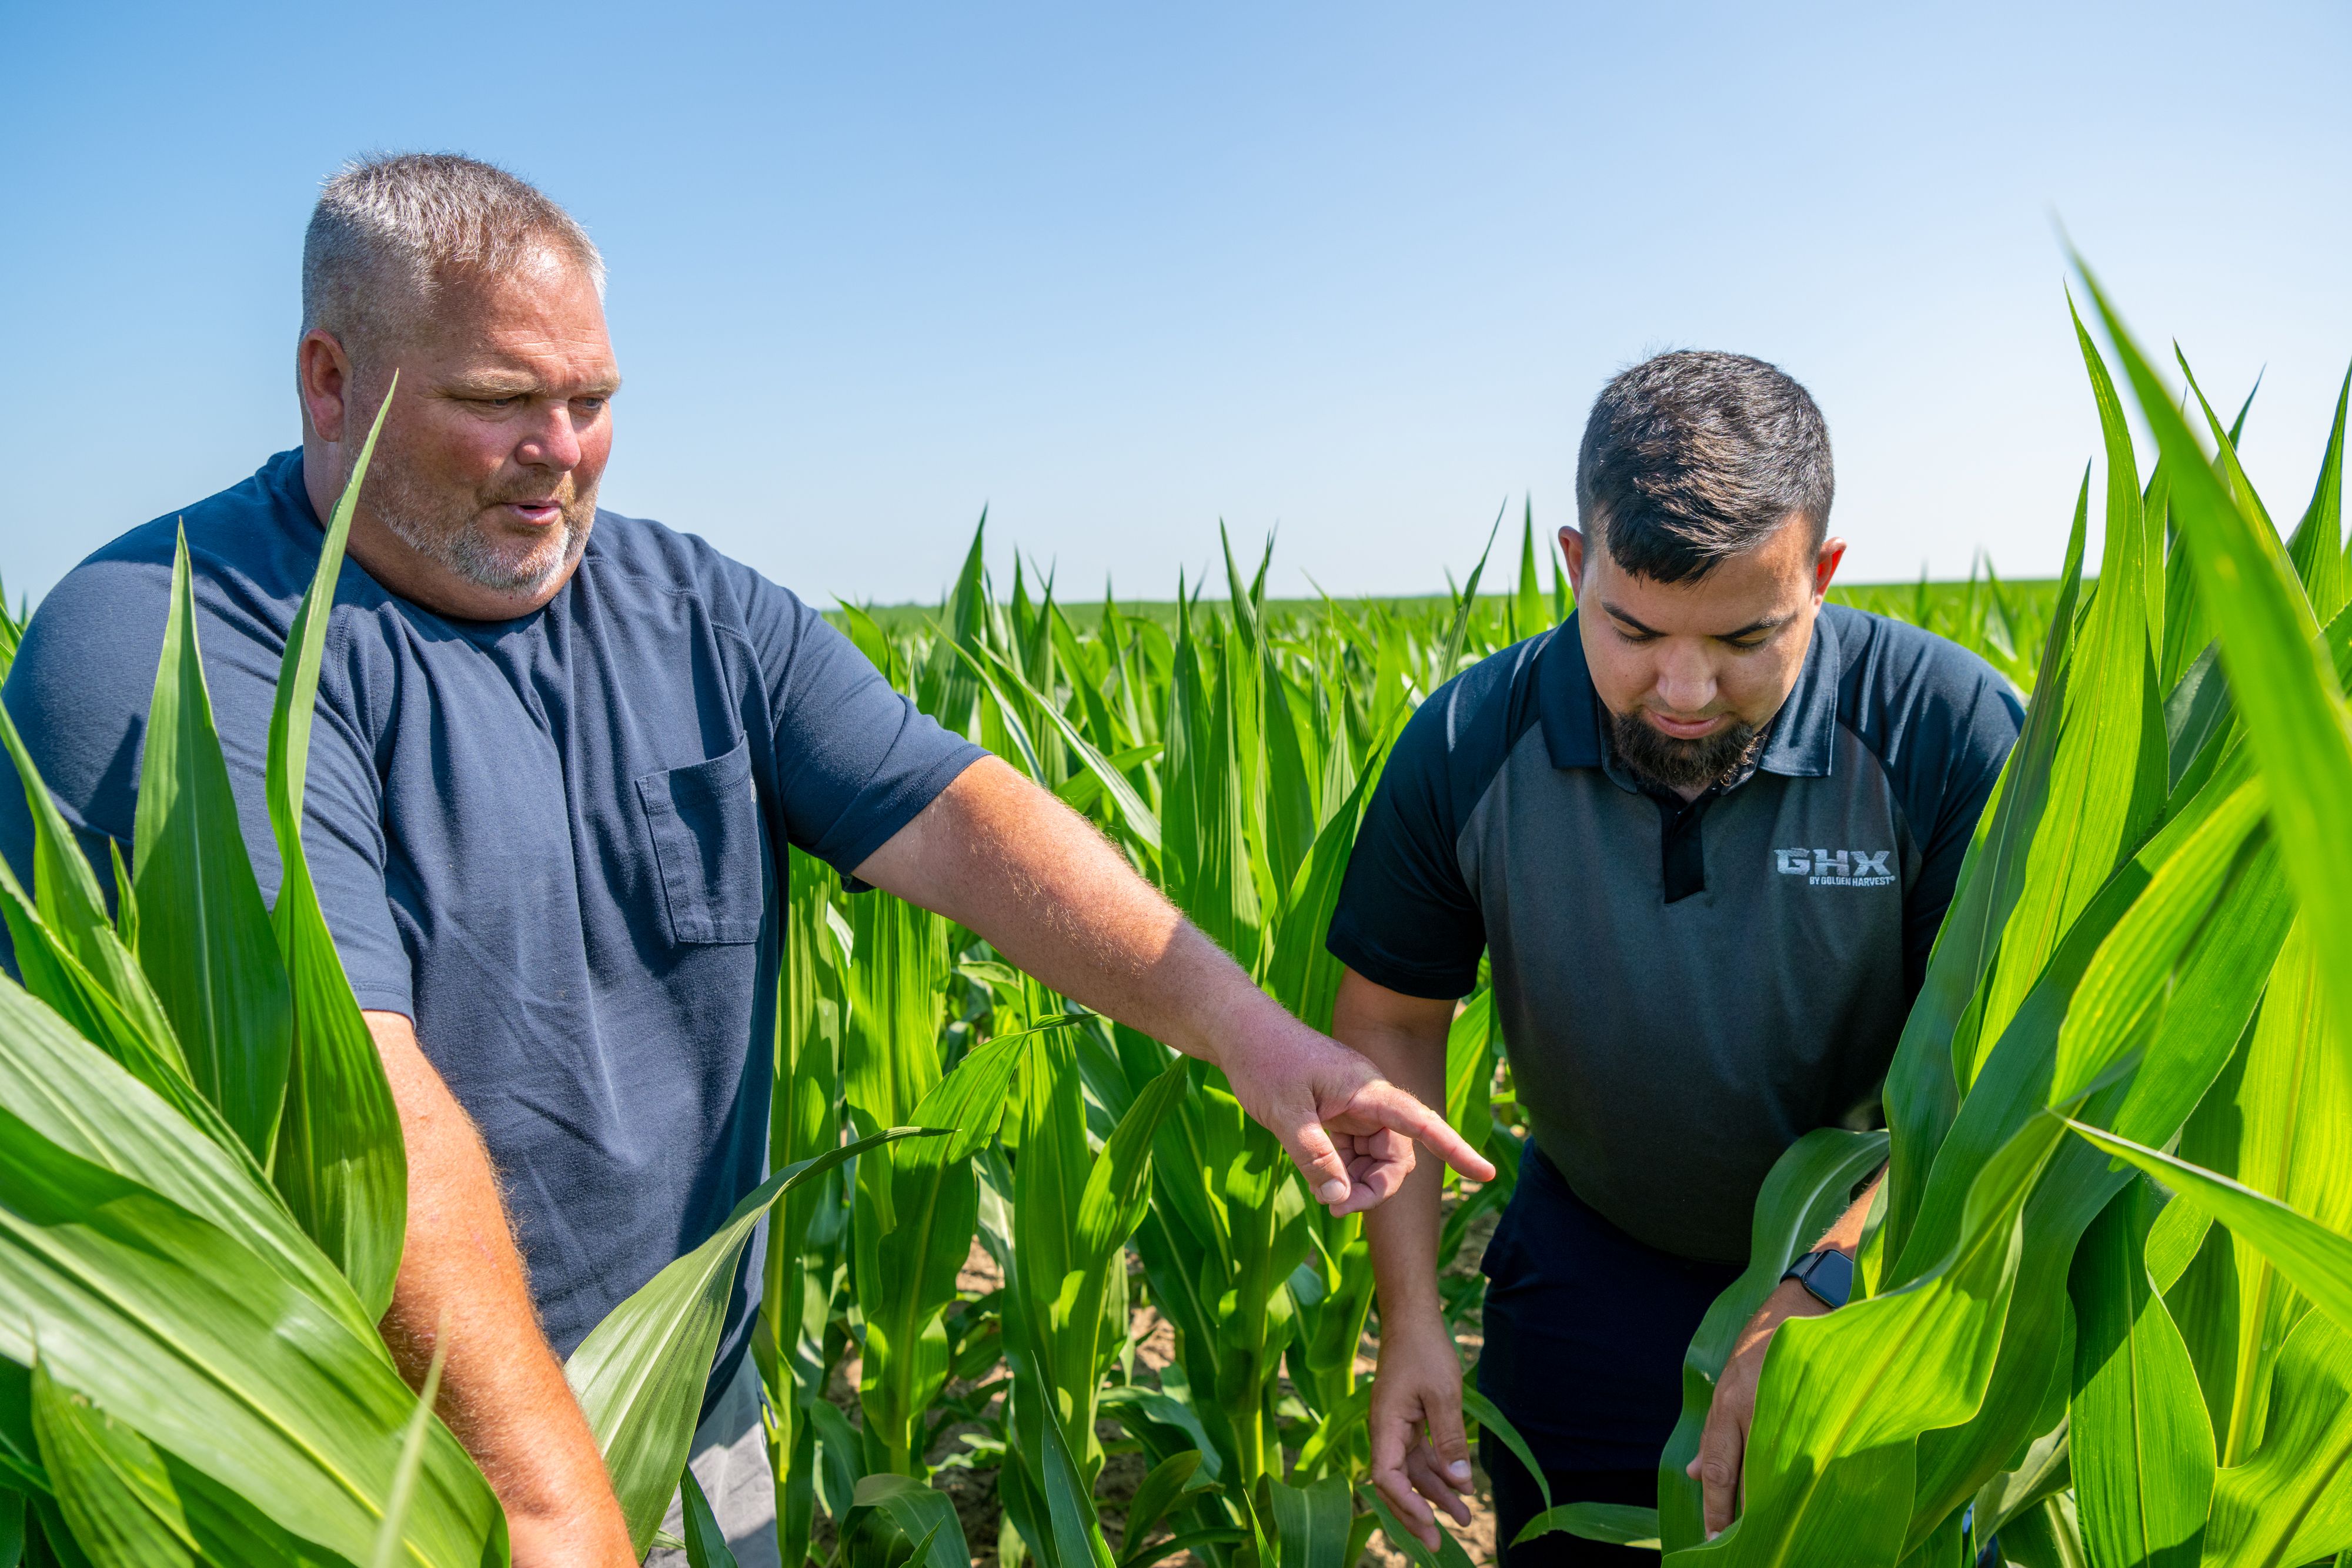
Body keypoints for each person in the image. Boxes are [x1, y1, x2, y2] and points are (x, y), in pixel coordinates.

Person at [0, 153, 1492, 1566]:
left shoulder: (690, 608)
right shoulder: (168, 643)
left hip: (685, 1422)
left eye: (590, 398)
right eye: (499, 398)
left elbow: (957, 813)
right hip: (329, 1463)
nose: (560, 452)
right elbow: (350, 1100)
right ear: (332, 380)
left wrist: (1243, 1028)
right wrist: (543, 1494)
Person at [1331, 351, 2024, 1561]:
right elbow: (1390, 1019)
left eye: (1745, 637)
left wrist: (1820, 1280)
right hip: (1593, 1250)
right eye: (1634, 630)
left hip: (1877, 1265)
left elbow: (2007, 1055)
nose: (1686, 690)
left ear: (1821, 574)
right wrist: (1409, 1315)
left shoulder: (1943, 731)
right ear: (1570, 567)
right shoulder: (1464, 741)